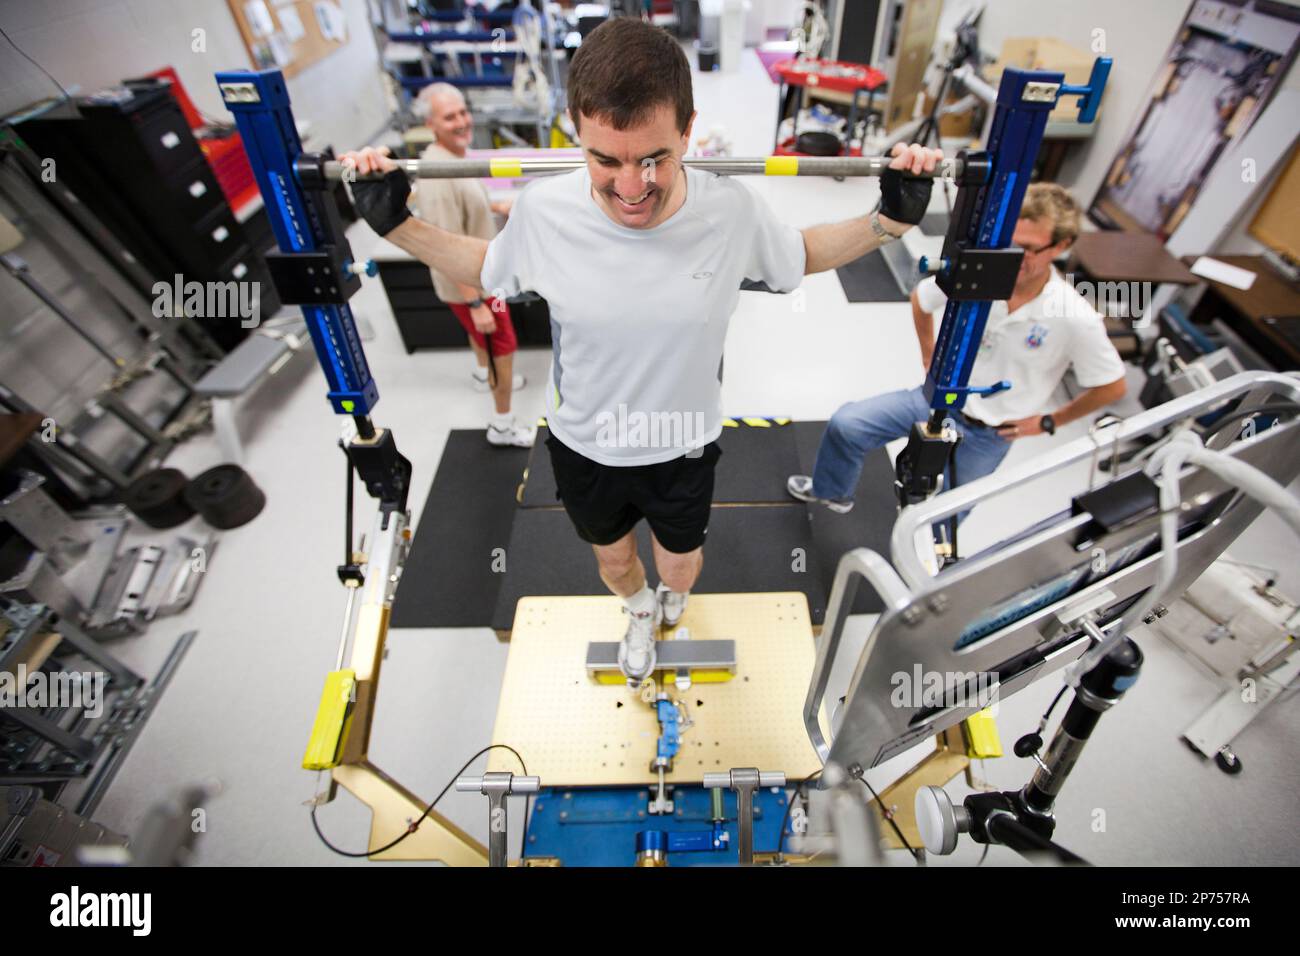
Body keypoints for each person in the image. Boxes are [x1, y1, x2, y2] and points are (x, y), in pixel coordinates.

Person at [341, 18, 942, 681]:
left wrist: (891, 219)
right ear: (578, 133)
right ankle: (635, 612)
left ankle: (674, 601)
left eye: (654, 156)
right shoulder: (545, 213)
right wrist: (396, 222)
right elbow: (487, 268)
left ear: (688, 130)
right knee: (615, 563)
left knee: (680, 562)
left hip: (683, 446)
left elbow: (803, 253)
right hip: (584, 446)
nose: (632, 187)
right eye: (607, 160)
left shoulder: (729, 212)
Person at [787, 182, 1128, 517]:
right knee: (847, 425)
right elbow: (921, 299)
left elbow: (1112, 385)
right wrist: (929, 355)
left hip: (990, 434)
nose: (1015, 256)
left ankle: (922, 559)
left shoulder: (1074, 316)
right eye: (1010, 243)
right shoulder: (981, 274)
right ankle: (831, 492)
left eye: (1028, 248)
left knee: (946, 517)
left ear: (1061, 245)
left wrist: (1049, 421)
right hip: (935, 401)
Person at [414, 82, 533, 448]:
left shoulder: (453, 158)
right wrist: (476, 302)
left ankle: (484, 374)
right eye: (450, 117)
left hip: (476, 279)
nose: (463, 121)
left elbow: (463, 210)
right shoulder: (438, 173)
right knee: (503, 344)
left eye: (463, 112)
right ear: (431, 124)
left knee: (484, 339)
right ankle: (503, 425)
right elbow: (442, 244)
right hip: (475, 286)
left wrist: (495, 206)